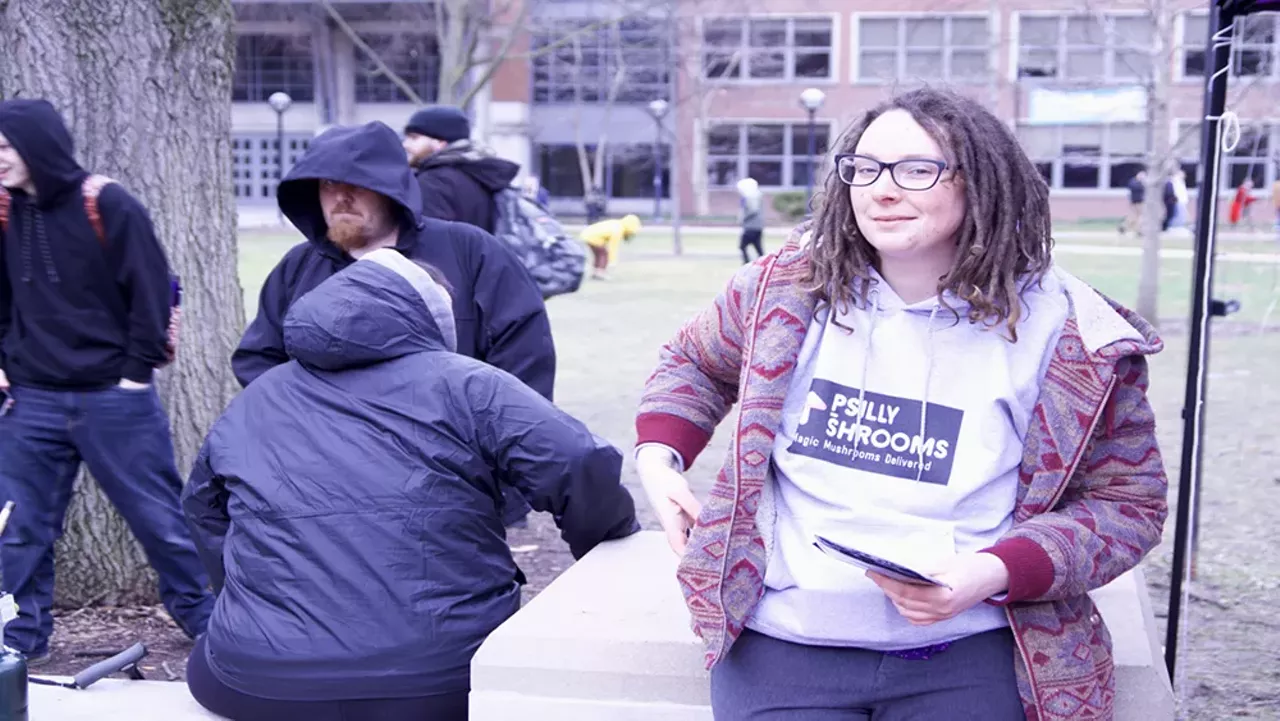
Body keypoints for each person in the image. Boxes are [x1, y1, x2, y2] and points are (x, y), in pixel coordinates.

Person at [634, 88, 1168, 721]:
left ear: (984, 182)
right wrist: (660, 458)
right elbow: (694, 361)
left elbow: (1128, 504)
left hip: (975, 652)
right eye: (864, 168)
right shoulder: (784, 289)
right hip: (782, 648)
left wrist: (995, 571)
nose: (881, 190)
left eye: (918, 169)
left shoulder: (1074, 333)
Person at [184, 247, 639, 721]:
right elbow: (577, 459)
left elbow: (203, 508)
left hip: (259, 681)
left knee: (209, 657)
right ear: (427, 313)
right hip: (443, 678)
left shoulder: (257, 398)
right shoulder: (469, 385)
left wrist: (253, 599)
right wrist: (605, 542)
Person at [233, 120, 555, 527]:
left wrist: (499, 479)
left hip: (452, 486)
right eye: (327, 185)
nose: (341, 198)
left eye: (357, 184)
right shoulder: (299, 269)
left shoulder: (471, 253)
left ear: (390, 187)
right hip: (329, 491)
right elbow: (259, 363)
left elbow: (524, 364)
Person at [0, 99, 214, 662]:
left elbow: (151, 290)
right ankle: (19, 642)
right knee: (18, 527)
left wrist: (133, 375)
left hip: (114, 400)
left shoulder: (108, 203)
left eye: (4, 146)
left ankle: (212, 626)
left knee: (160, 520)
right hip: (31, 398)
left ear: (38, 143)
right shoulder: (2, 211)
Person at [402, 106, 519, 234]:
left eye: (414, 138)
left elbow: (430, 241)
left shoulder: (433, 181)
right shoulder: (482, 175)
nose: (405, 144)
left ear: (440, 143)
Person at [580, 213, 641, 280]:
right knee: (603, 254)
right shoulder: (618, 230)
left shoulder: (617, 224)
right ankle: (600, 273)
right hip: (593, 237)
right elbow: (613, 247)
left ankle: (595, 272)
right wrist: (612, 261)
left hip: (587, 234)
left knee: (599, 254)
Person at [736, 177, 765, 263]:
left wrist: (743, 218)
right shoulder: (756, 195)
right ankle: (764, 263)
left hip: (751, 226)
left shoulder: (751, 197)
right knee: (758, 248)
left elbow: (753, 209)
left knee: (742, 246)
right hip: (757, 226)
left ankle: (747, 263)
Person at [1120, 169, 1145, 235]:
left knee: (1136, 216)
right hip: (1137, 202)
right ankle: (1139, 230)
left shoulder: (1140, 182)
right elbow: (1134, 188)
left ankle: (1125, 227)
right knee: (1139, 216)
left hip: (1139, 201)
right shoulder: (1134, 182)